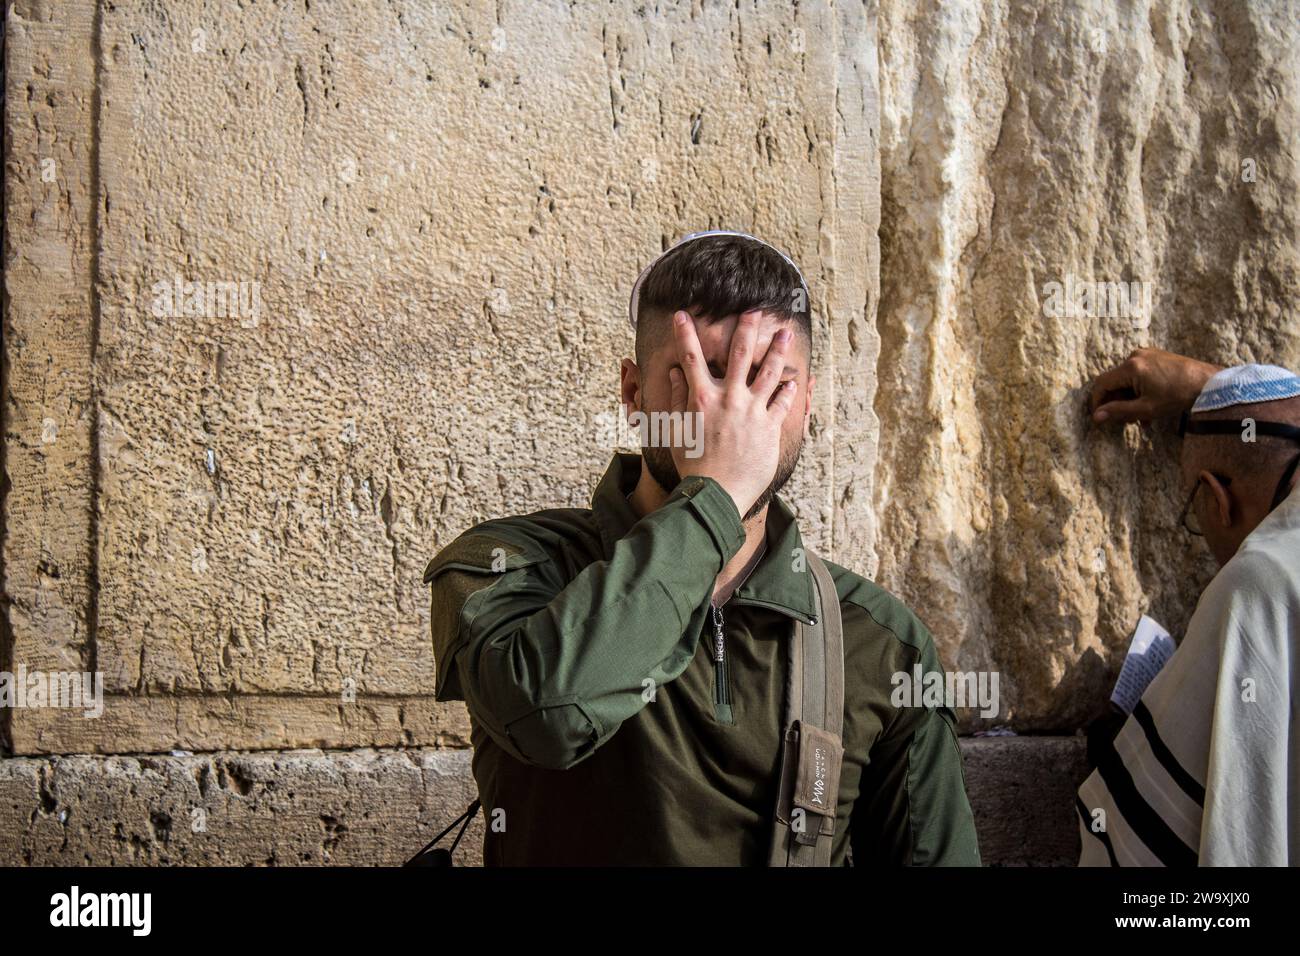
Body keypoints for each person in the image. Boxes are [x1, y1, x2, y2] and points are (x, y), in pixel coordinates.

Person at [422, 232, 980, 865]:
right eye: (705, 375)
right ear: (634, 393)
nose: (736, 412)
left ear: (810, 401)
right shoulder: (508, 565)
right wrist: (716, 495)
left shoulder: (881, 642)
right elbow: (547, 716)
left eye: (771, 382)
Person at [1079, 349, 1300, 865]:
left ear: (1214, 497)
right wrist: (1215, 386)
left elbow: (1143, 839)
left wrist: (1131, 754)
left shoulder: (1258, 583)